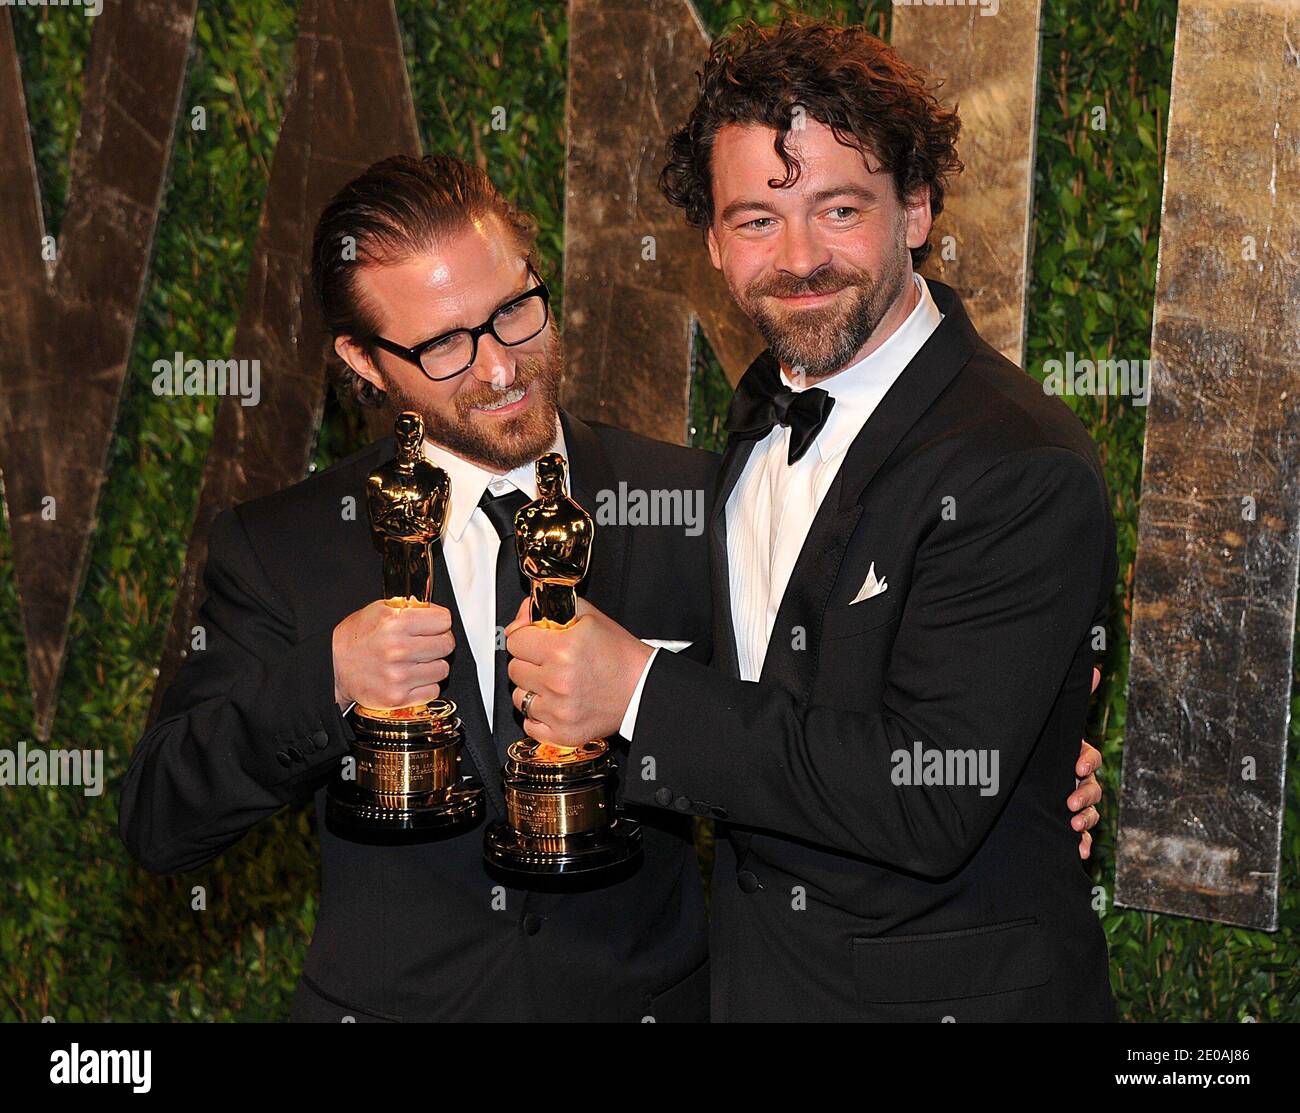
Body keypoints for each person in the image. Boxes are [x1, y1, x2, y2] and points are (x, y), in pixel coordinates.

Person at [505, 20, 1116, 1021]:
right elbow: (791, 694)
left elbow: (927, 800)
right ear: (710, 239)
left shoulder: (1019, 466)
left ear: (915, 209)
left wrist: (642, 695)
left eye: (839, 209)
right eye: (755, 221)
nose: (798, 259)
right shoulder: (761, 402)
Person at [118, 155, 717, 1021]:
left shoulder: (693, 502)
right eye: (442, 344)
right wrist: (325, 681)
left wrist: (644, 694)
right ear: (362, 360)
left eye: (513, 310)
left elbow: (789, 772)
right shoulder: (282, 546)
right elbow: (160, 817)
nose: (502, 367)